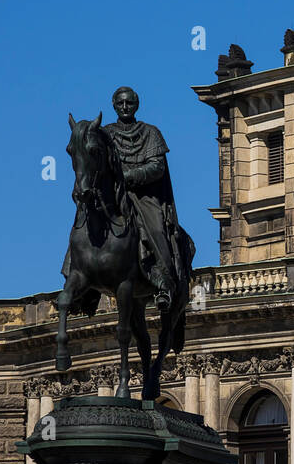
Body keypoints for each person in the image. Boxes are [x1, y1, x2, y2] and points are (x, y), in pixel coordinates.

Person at [62, 86, 195, 311]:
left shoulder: (151, 133)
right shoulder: (104, 133)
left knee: (155, 227)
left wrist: (128, 176)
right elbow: (91, 161)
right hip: (112, 193)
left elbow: (157, 167)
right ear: (114, 105)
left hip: (143, 195)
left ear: (137, 105)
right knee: (83, 220)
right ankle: (75, 279)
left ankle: (163, 280)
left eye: (129, 103)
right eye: (120, 103)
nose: (125, 107)